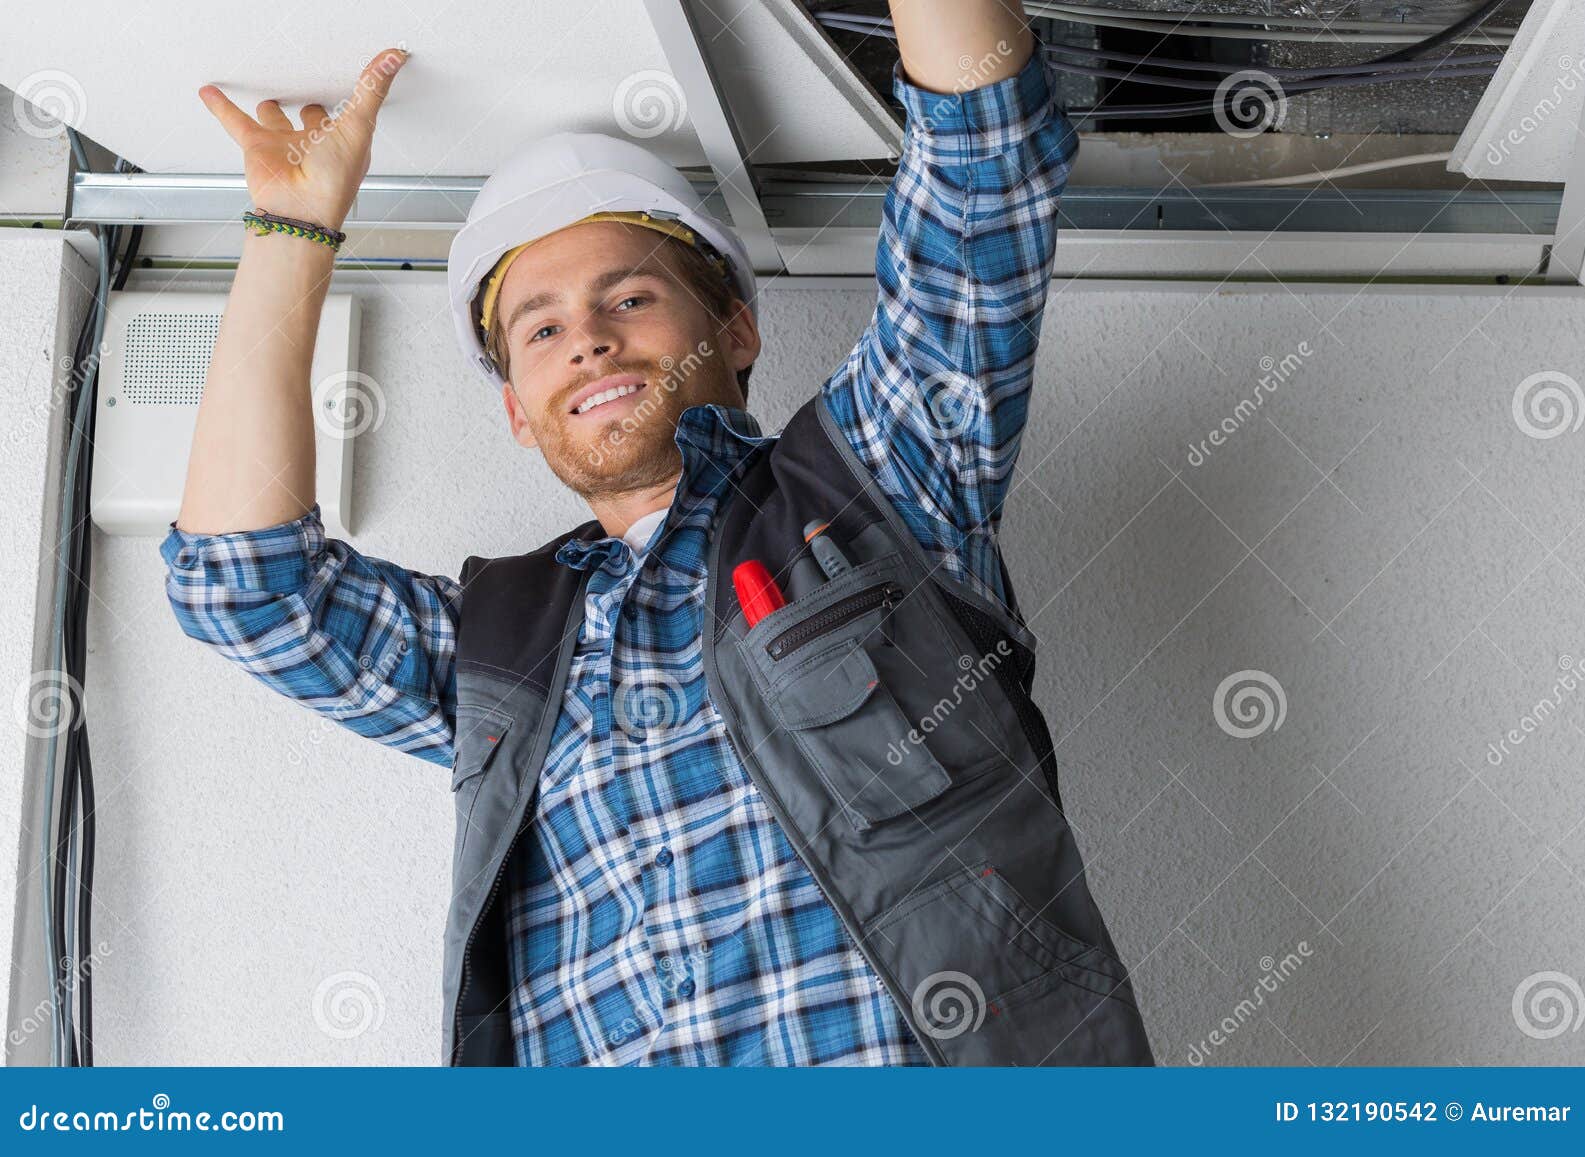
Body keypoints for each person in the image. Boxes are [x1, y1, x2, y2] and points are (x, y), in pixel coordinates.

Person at [164, 2, 1155, 1067]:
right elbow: (245, 585)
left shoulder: (881, 484)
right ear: (517, 410)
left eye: (629, 298)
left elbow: (982, 169)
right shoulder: (499, 657)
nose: (588, 340)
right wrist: (291, 226)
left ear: (735, 329)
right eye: (542, 328)